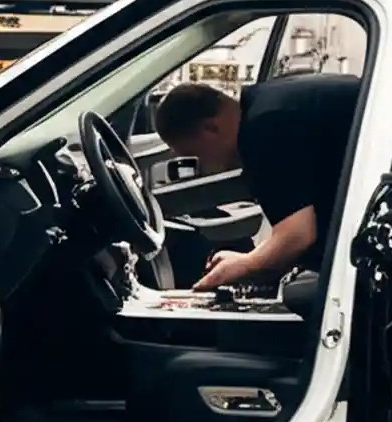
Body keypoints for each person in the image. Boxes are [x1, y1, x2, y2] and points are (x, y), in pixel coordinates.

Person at [152, 75, 361, 291]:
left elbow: (298, 234)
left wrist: (246, 264)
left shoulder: (263, 128)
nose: (206, 166)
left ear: (211, 128)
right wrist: (252, 257)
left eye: (196, 154)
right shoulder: (267, 102)